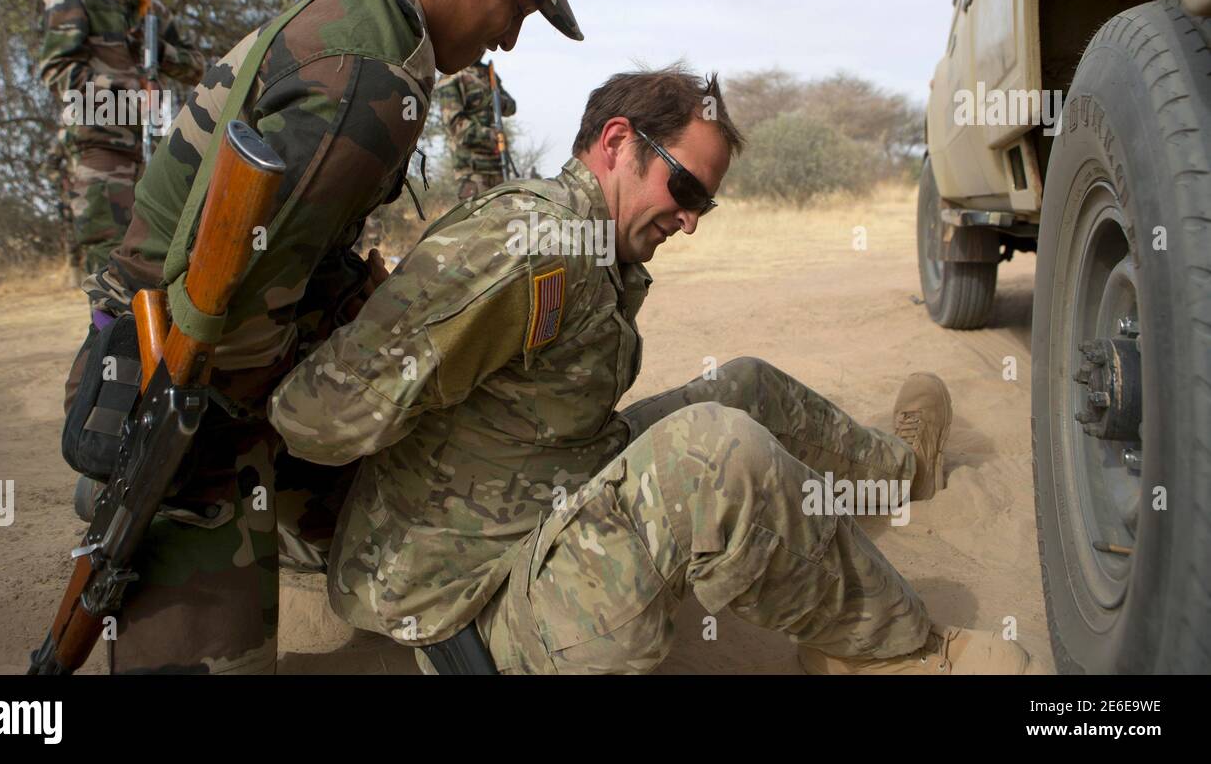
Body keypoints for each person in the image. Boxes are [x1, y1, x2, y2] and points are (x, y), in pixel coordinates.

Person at [268, 65, 1044, 675]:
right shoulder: (533, 245)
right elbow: (317, 419)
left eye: (706, 203)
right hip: (475, 606)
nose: (691, 220)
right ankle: (894, 651)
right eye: (684, 188)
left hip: (538, 503)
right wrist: (364, 339)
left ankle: (899, 471)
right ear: (616, 143)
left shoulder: (590, 242)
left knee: (743, 387)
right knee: (715, 454)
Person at [65, 0, 583, 674]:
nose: (509, 38)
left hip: (212, 357)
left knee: (417, 514)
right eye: (514, 5)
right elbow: (231, 331)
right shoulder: (366, 78)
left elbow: (302, 258)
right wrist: (360, 399)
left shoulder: (373, 21)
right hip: (184, 401)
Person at [38, 0, 206, 278]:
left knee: (160, 257)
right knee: (109, 265)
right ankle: (107, 337)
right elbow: (58, 72)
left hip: (152, 150)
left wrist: (160, 53)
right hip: (99, 148)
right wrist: (128, 96)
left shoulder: (152, 12)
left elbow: (198, 67)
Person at [434, 53, 516, 198]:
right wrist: (491, 135)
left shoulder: (488, 74)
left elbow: (512, 107)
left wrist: (501, 102)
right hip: (473, 171)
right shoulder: (451, 77)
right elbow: (456, 127)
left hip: (498, 166)